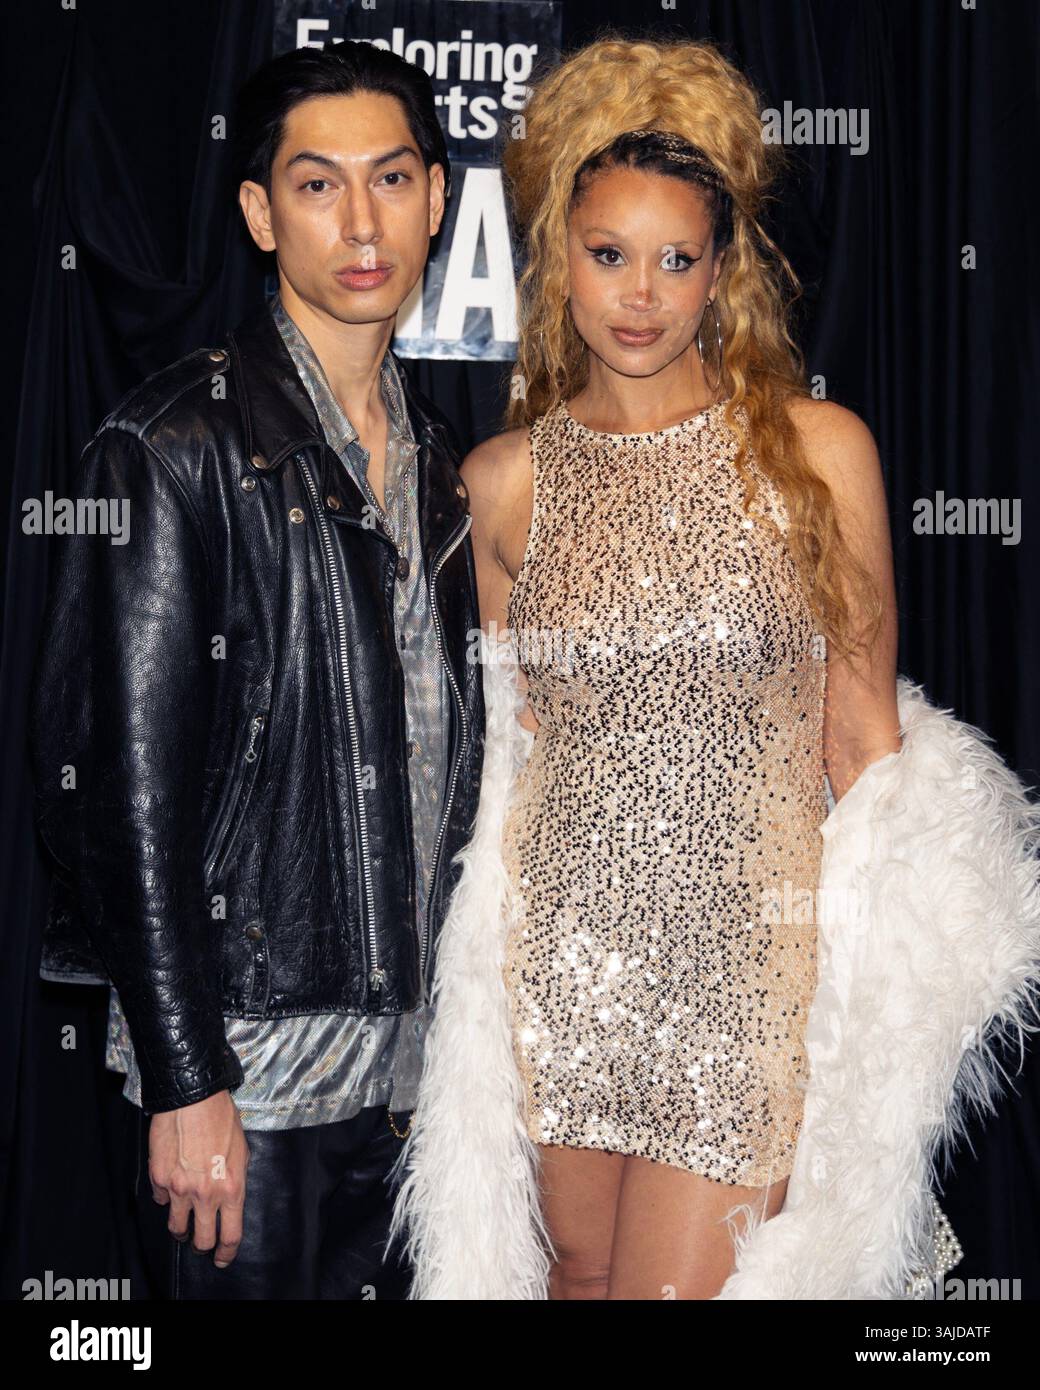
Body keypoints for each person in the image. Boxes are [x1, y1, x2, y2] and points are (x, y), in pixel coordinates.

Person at [388, 36, 1040, 1300]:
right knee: (571, 1284)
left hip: (746, 982)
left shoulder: (814, 451)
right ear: (556, 261)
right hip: (563, 974)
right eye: (608, 254)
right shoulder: (501, 483)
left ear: (720, 272)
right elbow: (509, 760)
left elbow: (864, 746)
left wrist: (871, 1033)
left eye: (674, 259)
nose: (639, 293)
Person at [28, 43, 484, 1300]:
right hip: (252, 1080)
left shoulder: (448, 466)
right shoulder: (173, 448)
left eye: (391, 179)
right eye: (316, 184)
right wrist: (184, 1077)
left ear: (439, 199)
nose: (360, 221)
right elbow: (111, 796)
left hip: (417, 1085)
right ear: (258, 211)